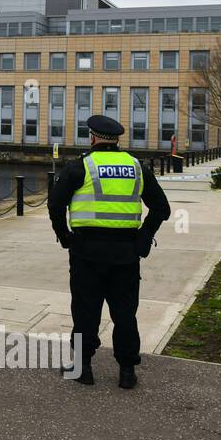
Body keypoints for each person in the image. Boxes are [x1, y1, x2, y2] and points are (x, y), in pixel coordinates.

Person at [47, 115, 171, 389]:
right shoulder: (137, 167)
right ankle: (127, 372)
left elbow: (55, 204)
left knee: (85, 310)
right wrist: (144, 236)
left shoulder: (80, 167)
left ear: (92, 137)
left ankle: (83, 369)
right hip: (126, 253)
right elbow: (162, 208)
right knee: (125, 312)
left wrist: (64, 236)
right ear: (116, 140)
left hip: (86, 252)